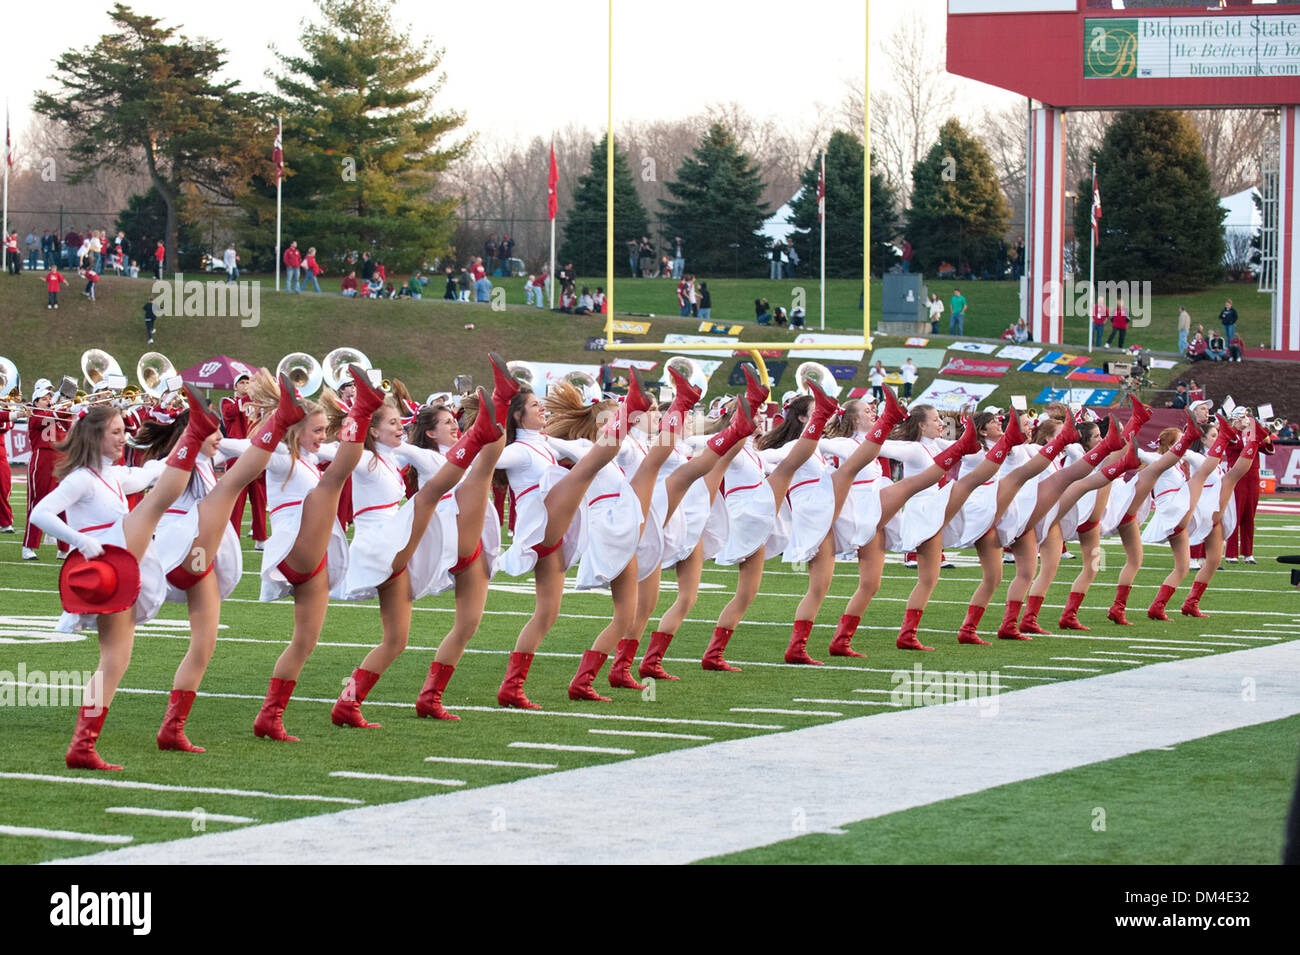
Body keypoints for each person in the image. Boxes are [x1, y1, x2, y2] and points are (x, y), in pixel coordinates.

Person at [29, 389, 221, 769]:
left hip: (122, 562)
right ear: (94, 436)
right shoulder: (82, 478)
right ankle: (81, 746)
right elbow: (40, 513)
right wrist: (81, 541)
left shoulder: (114, 475)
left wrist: (187, 442)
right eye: (115, 432)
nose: (123, 438)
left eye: (122, 431)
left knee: (116, 661)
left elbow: (156, 471)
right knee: (113, 660)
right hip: (105, 569)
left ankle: (83, 746)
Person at [221, 373, 269, 549]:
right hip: (236, 457)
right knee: (237, 500)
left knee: (259, 498)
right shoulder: (227, 401)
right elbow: (232, 412)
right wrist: (253, 393)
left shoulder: (255, 403)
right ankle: (233, 537)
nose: (246, 385)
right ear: (235, 387)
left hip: (255, 453)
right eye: (242, 383)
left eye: (248, 382)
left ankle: (261, 538)